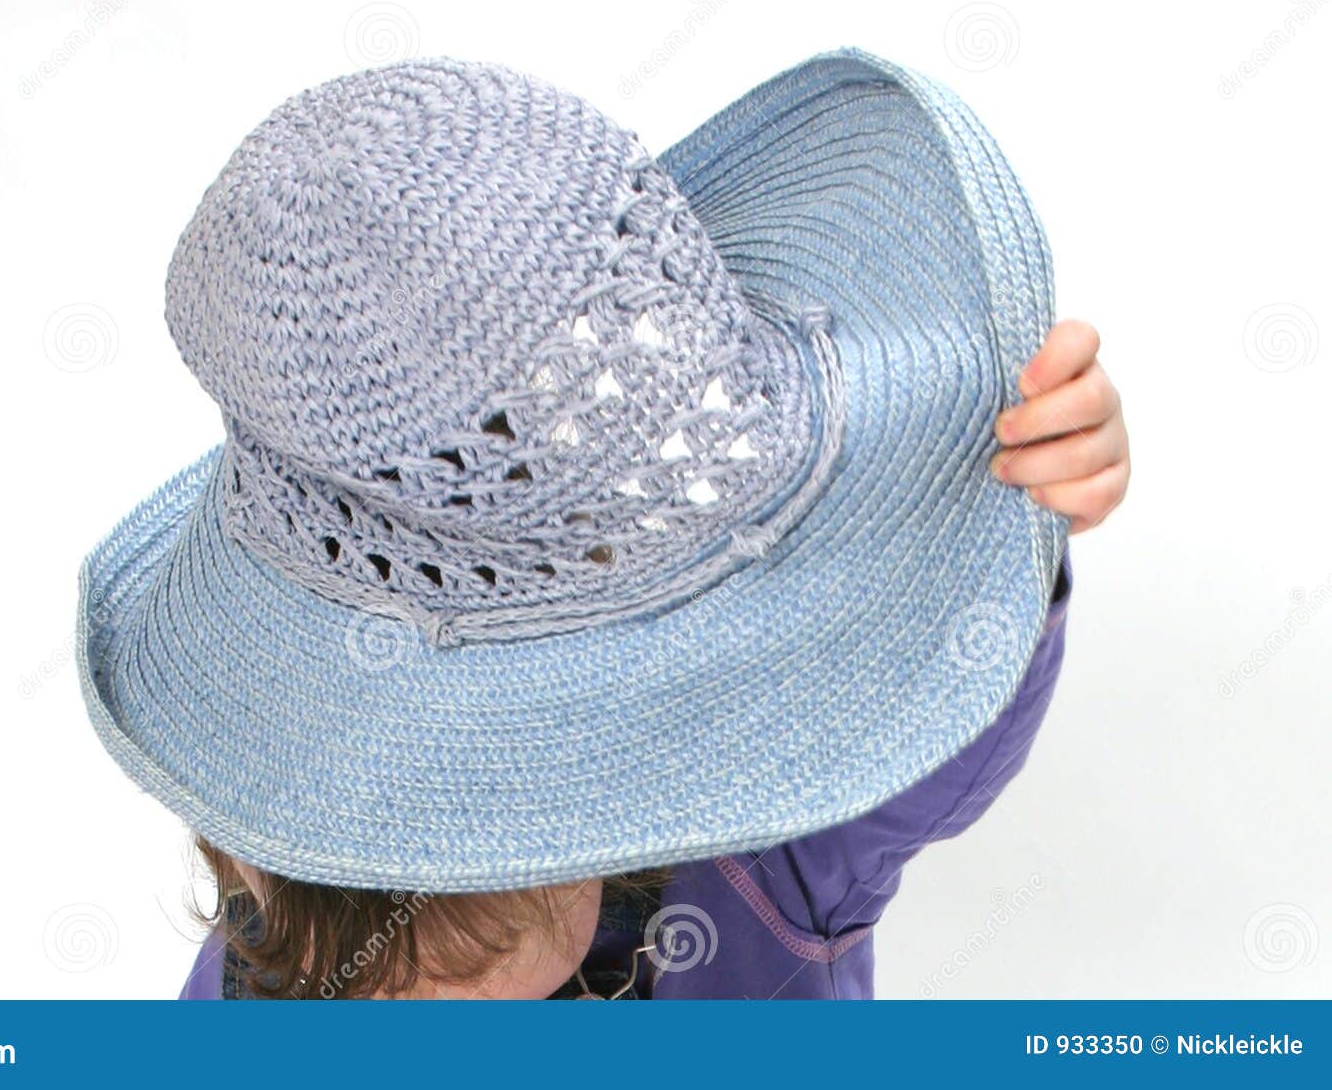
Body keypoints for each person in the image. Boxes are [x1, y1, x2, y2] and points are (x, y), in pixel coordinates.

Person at [75, 53, 1130, 1001]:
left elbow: (930, 721)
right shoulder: (271, 954)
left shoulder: (757, 863)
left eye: (471, 944)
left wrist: (1010, 509)